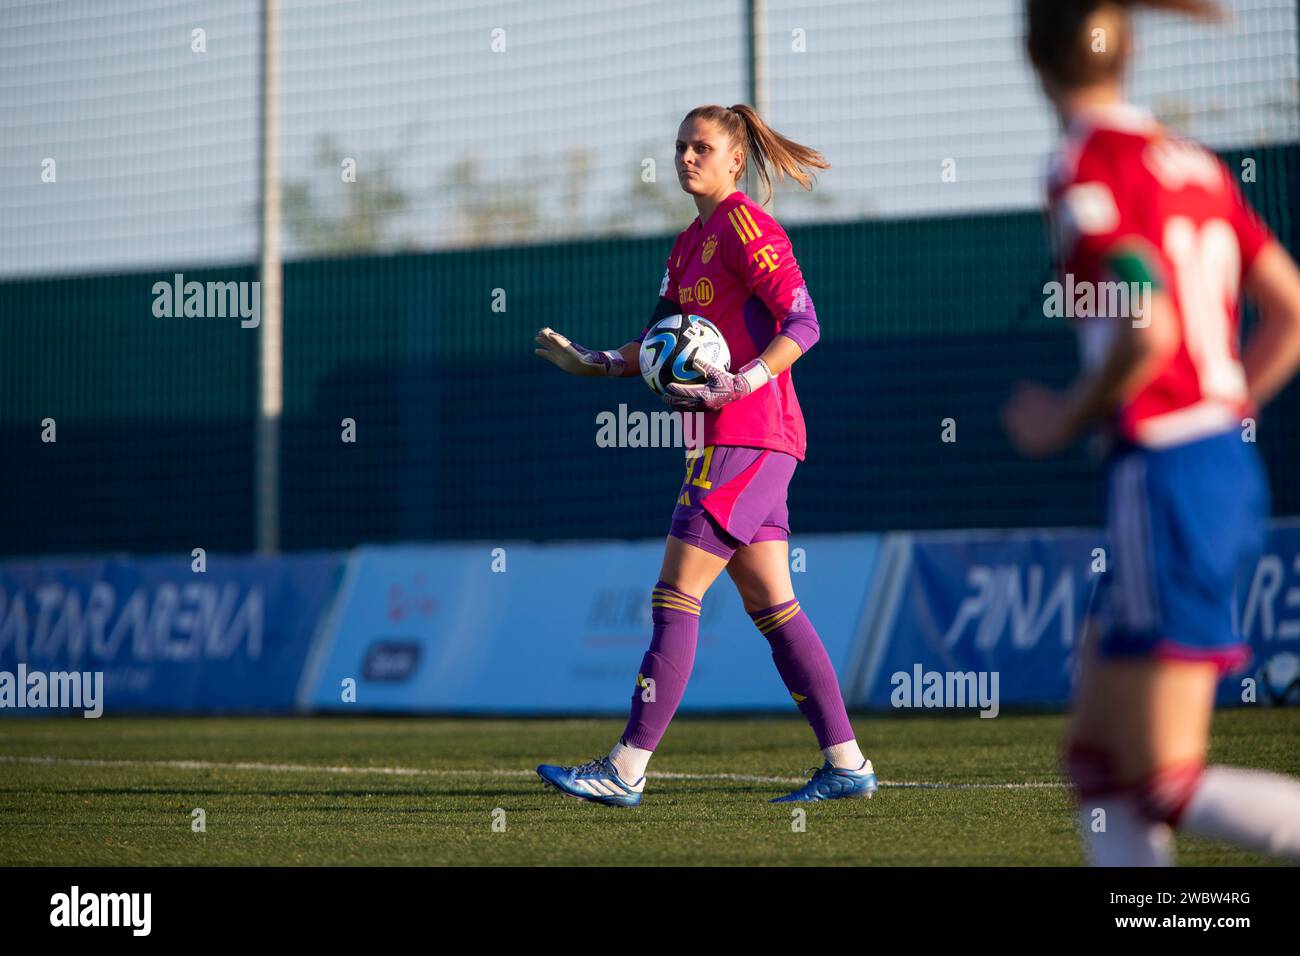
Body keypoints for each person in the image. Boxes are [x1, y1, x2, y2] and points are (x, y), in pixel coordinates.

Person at [1004, 0, 1300, 863]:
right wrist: (1222, 407)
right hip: (1207, 467)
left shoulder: (1081, 168)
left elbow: (1150, 327)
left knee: (1163, 779)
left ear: (1032, 56)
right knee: (1097, 763)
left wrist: (1066, 415)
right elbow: (1289, 310)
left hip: (1167, 473)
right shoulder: (1197, 166)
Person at [531, 103, 876, 806]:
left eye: (701, 148)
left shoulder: (747, 226)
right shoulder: (688, 244)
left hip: (750, 434)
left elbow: (804, 321)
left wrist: (743, 379)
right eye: (681, 146)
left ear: (733, 160)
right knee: (774, 604)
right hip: (734, 440)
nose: (686, 158)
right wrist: (594, 362)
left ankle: (626, 768)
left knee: (675, 593)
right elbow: (657, 345)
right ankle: (848, 765)